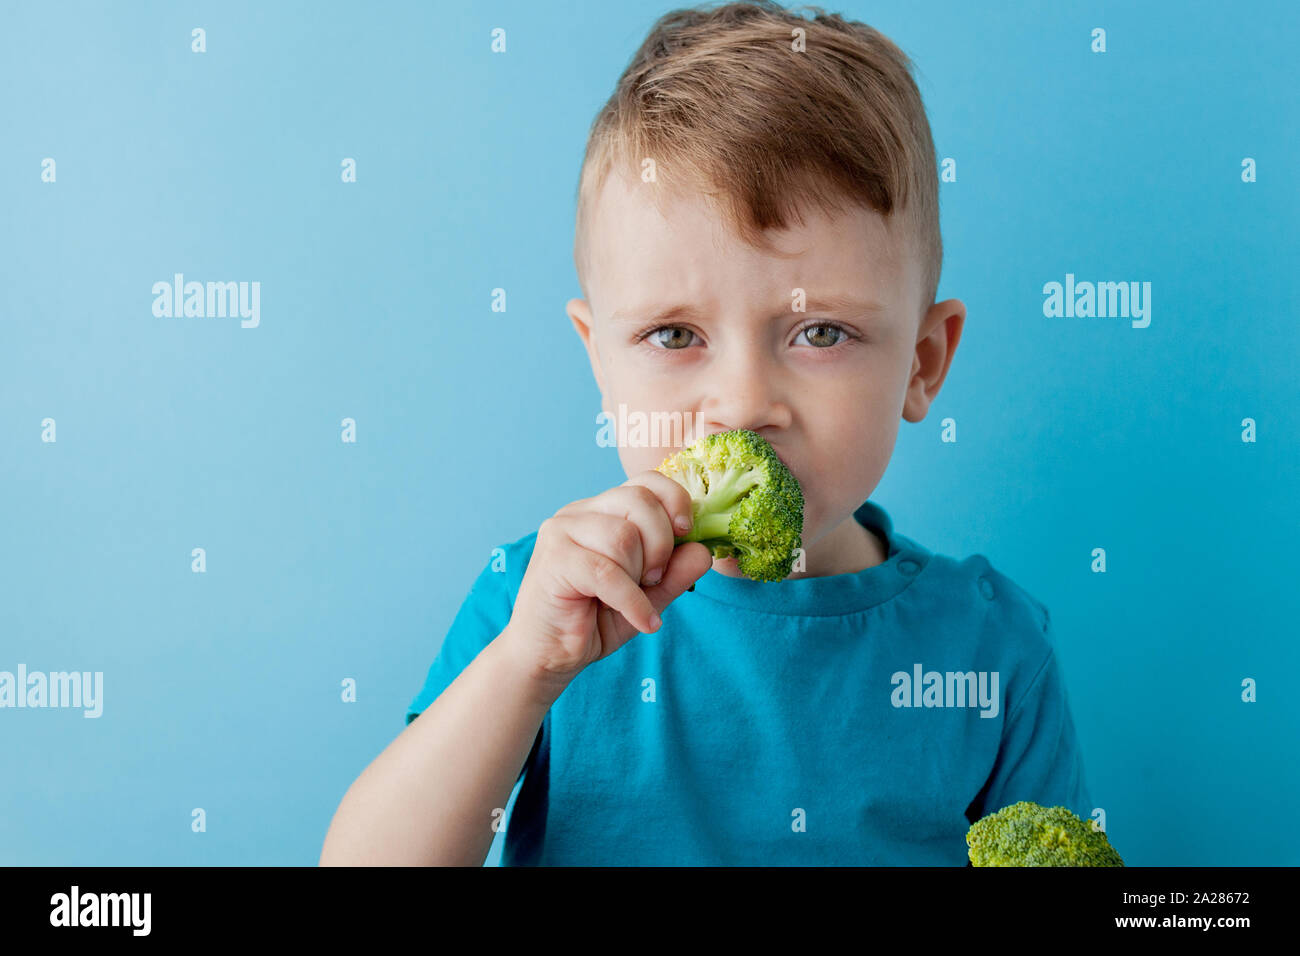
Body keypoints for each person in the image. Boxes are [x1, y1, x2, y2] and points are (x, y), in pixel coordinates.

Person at [320, 0, 1093, 866]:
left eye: (820, 333)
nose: (741, 405)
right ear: (601, 365)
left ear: (921, 362)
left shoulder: (992, 646)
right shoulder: (535, 607)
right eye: (675, 336)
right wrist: (523, 670)